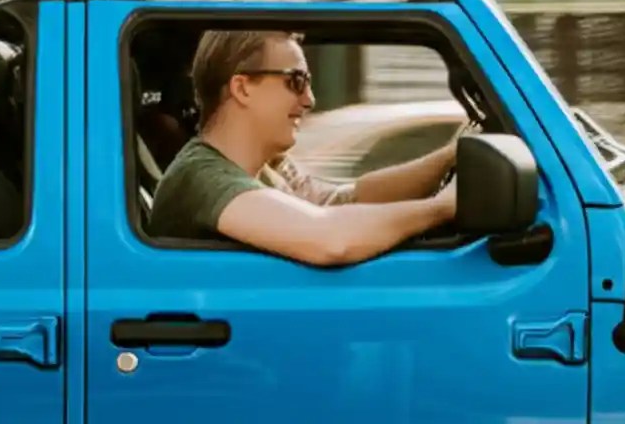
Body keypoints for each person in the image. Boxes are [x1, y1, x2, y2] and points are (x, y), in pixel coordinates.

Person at [146, 30, 459, 266]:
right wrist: (444, 207)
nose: (310, 99)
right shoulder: (201, 177)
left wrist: (449, 157)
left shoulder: (268, 168)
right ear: (242, 88)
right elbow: (330, 239)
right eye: (296, 81)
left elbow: (345, 201)